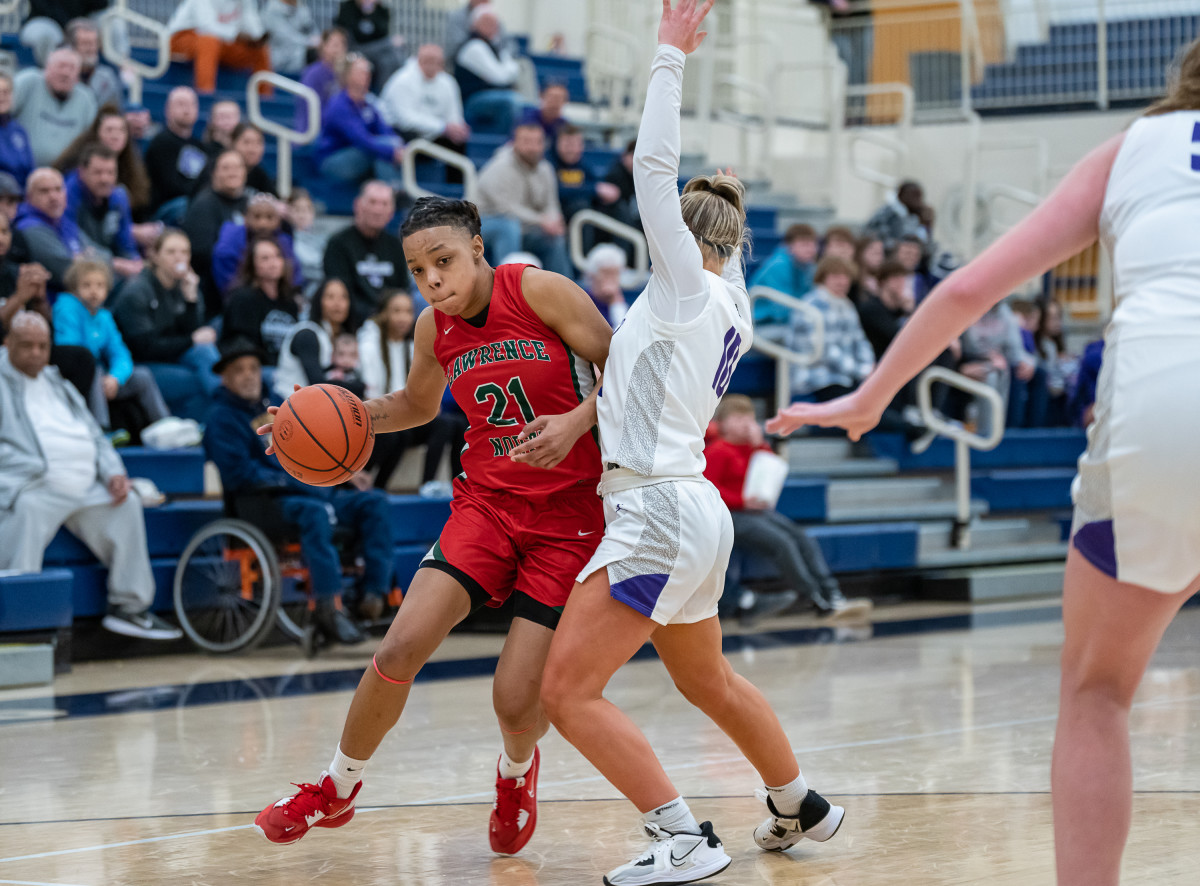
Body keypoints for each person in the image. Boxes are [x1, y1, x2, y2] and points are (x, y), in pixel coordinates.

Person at [770, 36, 1200, 886]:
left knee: (1098, 692)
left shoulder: (1134, 149)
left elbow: (968, 289)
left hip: (1164, 394)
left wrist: (871, 397)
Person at [539, 5, 845, 883]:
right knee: (705, 680)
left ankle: (680, 835)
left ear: (684, 236)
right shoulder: (734, 297)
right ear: (737, 242)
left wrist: (669, 55)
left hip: (657, 507)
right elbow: (716, 221)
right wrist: (728, 195)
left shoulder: (683, 288)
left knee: (566, 692)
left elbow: (651, 168)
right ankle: (798, 801)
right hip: (691, 504)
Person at [252, 195, 614, 865]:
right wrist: (324, 415)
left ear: (478, 248)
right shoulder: (432, 328)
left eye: (443, 261)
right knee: (399, 646)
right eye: (418, 271)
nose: (433, 281)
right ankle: (336, 787)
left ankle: (515, 774)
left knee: (514, 701)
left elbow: (628, 367)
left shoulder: (539, 289)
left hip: (569, 518)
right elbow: (415, 406)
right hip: (487, 506)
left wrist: (575, 422)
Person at [0, 311, 182, 641]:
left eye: (43, 346)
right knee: (24, 511)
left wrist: (113, 472)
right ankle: (18, 625)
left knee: (125, 505)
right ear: (7, 342)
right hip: (33, 486)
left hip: (85, 485)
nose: (37, 354)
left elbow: (95, 435)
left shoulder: (57, 382)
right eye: (27, 346)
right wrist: (23, 475)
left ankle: (129, 608)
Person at [203, 336, 391, 644]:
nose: (249, 375)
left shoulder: (277, 404)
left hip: (311, 491)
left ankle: (373, 596)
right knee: (315, 513)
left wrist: (342, 470)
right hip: (263, 504)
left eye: (253, 367)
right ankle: (329, 608)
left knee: (374, 502)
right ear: (225, 378)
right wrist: (296, 479)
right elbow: (239, 474)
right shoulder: (221, 419)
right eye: (239, 370)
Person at [705, 394, 871, 619]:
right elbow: (710, 489)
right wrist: (742, 501)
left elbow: (768, 473)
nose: (745, 423)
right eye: (737, 417)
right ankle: (815, 598)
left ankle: (832, 594)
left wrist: (760, 445)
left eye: (749, 418)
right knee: (783, 543)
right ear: (722, 423)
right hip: (732, 514)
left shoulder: (753, 449)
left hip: (755, 512)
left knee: (802, 538)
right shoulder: (718, 450)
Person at [358, 288, 467, 490]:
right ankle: (380, 486)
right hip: (383, 415)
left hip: (409, 414)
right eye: (396, 311)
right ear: (383, 314)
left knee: (455, 424)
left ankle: (452, 485)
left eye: (407, 311)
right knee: (400, 434)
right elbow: (371, 393)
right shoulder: (369, 346)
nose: (403, 317)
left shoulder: (411, 346)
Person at [112, 228, 220, 423]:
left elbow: (191, 335)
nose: (179, 258)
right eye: (171, 252)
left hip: (171, 358)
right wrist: (191, 339)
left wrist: (191, 300)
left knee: (204, 352)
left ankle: (225, 405)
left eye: (185, 252)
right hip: (139, 365)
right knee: (193, 381)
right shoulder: (137, 291)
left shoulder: (186, 286)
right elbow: (145, 348)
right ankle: (222, 412)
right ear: (155, 256)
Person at [52, 257, 170, 432]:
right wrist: (101, 376)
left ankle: (166, 426)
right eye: (87, 285)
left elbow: (120, 352)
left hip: (103, 379)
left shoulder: (104, 317)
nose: (94, 291)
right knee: (94, 371)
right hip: (75, 379)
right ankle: (102, 430)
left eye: (100, 285)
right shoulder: (66, 308)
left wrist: (115, 377)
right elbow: (72, 353)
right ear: (75, 288)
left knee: (142, 376)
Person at [477, 123, 573, 278]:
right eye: (527, 142)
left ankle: (566, 290)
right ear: (514, 142)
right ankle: (507, 286)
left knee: (554, 238)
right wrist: (542, 221)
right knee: (508, 227)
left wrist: (554, 221)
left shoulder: (546, 169)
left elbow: (551, 204)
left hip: (525, 226)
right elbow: (506, 209)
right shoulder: (499, 167)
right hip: (483, 224)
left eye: (538, 142)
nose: (533, 147)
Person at [54, 105, 155, 239]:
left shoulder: (132, 168)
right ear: (97, 133)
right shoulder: (76, 170)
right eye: (109, 130)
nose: (115, 136)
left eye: (121, 130)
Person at [789, 255, 875, 401]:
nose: (842, 281)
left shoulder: (846, 305)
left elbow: (860, 340)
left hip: (845, 378)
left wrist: (869, 367)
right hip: (816, 381)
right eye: (836, 276)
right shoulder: (812, 305)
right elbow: (825, 352)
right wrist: (861, 370)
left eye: (845, 276)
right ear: (823, 278)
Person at [322, 180, 409, 324]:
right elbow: (339, 293)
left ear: (392, 212)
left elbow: (401, 289)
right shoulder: (338, 244)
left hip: (391, 324)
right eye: (373, 202)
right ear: (358, 205)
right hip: (351, 323)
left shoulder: (396, 245)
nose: (378, 210)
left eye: (384, 204)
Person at [315, 55, 405, 188]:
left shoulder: (367, 103)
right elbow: (361, 139)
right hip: (331, 160)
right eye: (362, 71)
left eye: (368, 71)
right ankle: (395, 192)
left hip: (358, 155)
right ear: (348, 75)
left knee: (387, 145)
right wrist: (392, 151)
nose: (367, 74)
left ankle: (393, 193)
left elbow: (384, 129)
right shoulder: (339, 104)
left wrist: (400, 145)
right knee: (382, 150)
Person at [181, 149, 249, 316]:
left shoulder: (248, 202)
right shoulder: (204, 204)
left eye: (238, 167)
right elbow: (202, 254)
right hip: (213, 292)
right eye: (226, 168)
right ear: (214, 173)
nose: (233, 172)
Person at [63, 144, 143, 282]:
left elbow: (126, 243)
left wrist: (136, 262)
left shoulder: (118, 196)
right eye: (98, 172)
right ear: (82, 172)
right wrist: (113, 262)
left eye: (110, 173)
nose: (105, 179)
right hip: (81, 269)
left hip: (111, 264)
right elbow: (73, 243)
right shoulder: (66, 196)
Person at [273, 277, 364, 398]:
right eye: (330, 297)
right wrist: (361, 387)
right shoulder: (307, 334)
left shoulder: (344, 337)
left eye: (344, 297)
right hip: (285, 405)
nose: (337, 303)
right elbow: (318, 385)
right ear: (318, 301)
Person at [221, 235, 301, 370]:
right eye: (265, 258)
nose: (273, 262)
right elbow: (243, 345)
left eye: (277, 256)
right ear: (253, 265)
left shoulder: (289, 302)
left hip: (286, 369)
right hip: (255, 369)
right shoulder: (243, 299)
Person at [12, 48, 98, 168]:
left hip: (66, 175)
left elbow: (92, 139)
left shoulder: (86, 98)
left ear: (78, 75)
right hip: (20, 169)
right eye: (61, 66)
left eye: (72, 68)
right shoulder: (28, 82)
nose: (65, 73)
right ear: (47, 68)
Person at [167, 0, 271, 96]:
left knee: (260, 49)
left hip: (222, 41)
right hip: (182, 37)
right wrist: (237, 35)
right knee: (209, 42)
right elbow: (206, 27)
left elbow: (252, 22)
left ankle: (265, 100)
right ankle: (205, 95)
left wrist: (258, 39)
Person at [379, 44, 471, 151]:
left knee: (457, 140)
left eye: (437, 61)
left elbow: (453, 114)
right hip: (402, 133)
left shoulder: (448, 82)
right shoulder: (402, 81)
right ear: (419, 60)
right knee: (410, 137)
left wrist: (457, 128)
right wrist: (442, 127)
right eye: (429, 60)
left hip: (434, 132)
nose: (433, 65)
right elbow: (406, 120)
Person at [211, 192, 300, 295]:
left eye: (269, 217)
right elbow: (225, 281)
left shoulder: (285, 242)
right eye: (257, 217)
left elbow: (294, 277)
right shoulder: (229, 242)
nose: (263, 223)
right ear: (245, 218)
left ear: (278, 221)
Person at [455, 4, 523, 136]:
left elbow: (513, 71)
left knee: (524, 104)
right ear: (474, 24)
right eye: (486, 22)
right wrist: (508, 70)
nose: (492, 26)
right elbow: (500, 77)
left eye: (494, 23)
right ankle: (503, 143)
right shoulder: (474, 46)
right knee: (511, 101)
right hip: (472, 101)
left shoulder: (495, 45)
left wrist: (507, 70)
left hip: (494, 96)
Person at [12, 167, 83, 294]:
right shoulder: (29, 227)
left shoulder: (63, 221)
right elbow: (67, 270)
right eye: (44, 191)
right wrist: (84, 258)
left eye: (58, 189)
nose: (53, 197)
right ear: (29, 197)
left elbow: (99, 251)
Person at [143, 87, 207, 223]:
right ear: (167, 110)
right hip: (163, 212)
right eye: (181, 104)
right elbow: (170, 187)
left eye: (191, 104)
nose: (187, 109)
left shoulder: (199, 146)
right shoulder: (161, 143)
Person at [747, 222, 818, 343]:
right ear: (789, 246)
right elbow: (781, 312)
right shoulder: (778, 265)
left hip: (786, 324)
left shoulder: (809, 266)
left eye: (813, 244)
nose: (810, 249)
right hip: (759, 326)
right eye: (804, 244)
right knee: (808, 338)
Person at [334, 0, 405, 91]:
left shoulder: (382, 11)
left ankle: (384, 93)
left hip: (377, 52)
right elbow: (354, 34)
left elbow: (381, 32)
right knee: (390, 44)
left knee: (390, 60)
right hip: (354, 50)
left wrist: (371, 12)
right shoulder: (347, 8)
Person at [297, 28, 350, 133]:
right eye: (335, 45)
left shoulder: (346, 74)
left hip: (337, 129)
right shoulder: (312, 74)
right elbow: (309, 111)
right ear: (323, 47)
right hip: (313, 132)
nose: (338, 49)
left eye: (342, 45)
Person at [1035, 297, 1077, 428]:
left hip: (1059, 397)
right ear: (1041, 319)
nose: (1057, 322)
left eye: (1059, 317)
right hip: (1048, 401)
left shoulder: (1053, 344)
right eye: (1052, 318)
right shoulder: (1039, 344)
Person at [64, 17, 122, 110]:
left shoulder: (107, 77)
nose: (90, 49)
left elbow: (111, 112)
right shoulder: (62, 74)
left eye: (94, 43)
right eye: (85, 43)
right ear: (72, 46)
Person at [864, 180, 931, 253]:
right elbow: (872, 234)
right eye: (914, 196)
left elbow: (925, 244)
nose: (918, 201)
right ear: (901, 195)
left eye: (920, 197)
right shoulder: (889, 212)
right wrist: (898, 244)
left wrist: (927, 223)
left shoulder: (915, 217)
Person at [287, 188, 329, 296]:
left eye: (307, 210)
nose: (302, 215)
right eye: (297, 209)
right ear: (288, 212)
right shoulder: (285, 241)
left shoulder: (325, 241)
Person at [263, 0, 319, 76]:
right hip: (279, 63)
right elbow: (287, 37)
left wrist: (319, 41)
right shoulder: (271, 10)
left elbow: (311, 28)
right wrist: (310, 42)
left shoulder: (301, 7)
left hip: (301, 59)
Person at [581, 242, 629, 329]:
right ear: (592, 275)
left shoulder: (620, 303)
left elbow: (626, 335)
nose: (611, 279)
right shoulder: (583, 301)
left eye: (615, 273)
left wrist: (617, 304)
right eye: (606, 273)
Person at [0, 72, 36, 188]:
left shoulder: (19, 131)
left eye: (6, 92)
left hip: (20, 198)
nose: (2, 96)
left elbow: (30, 170)